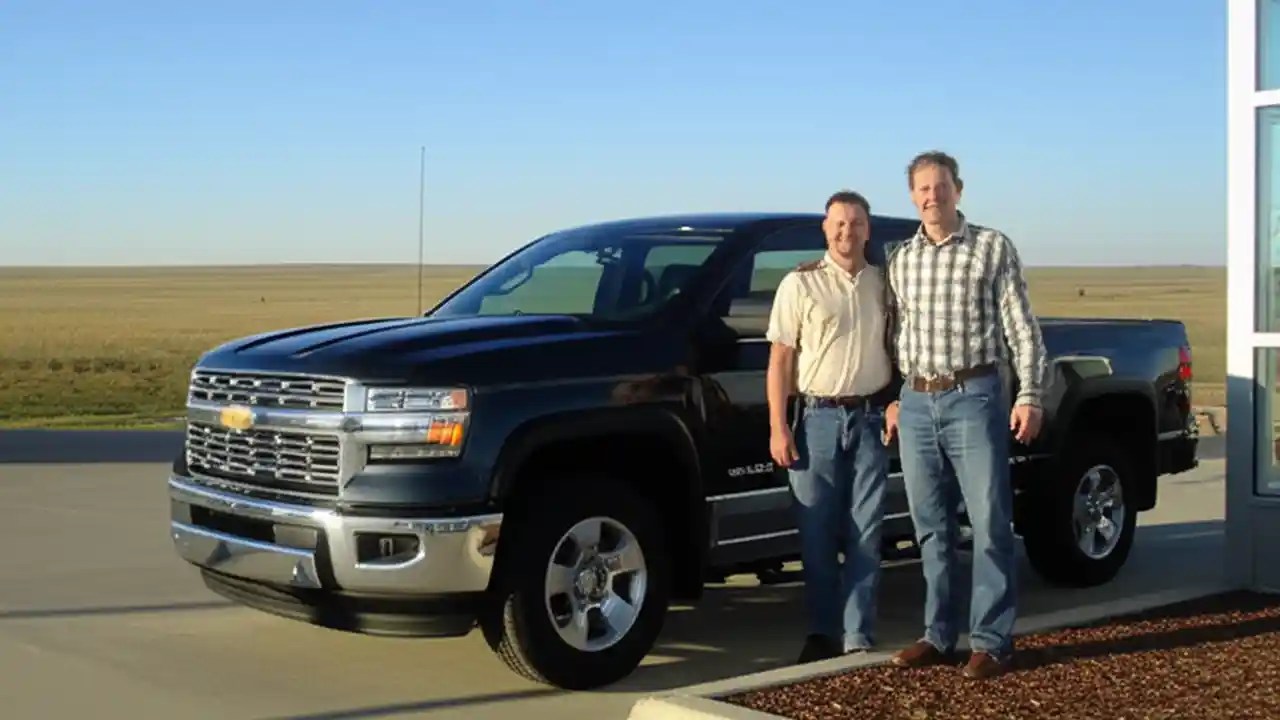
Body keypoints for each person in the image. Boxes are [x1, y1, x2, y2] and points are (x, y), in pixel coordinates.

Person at [881, 150, 1048, 680]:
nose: (933, 196)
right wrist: (894, 394)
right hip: (915, 401)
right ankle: (938, 635)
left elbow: (1021, 328)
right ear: (912, 195)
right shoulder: (901, 259)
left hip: (972, 395)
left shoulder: (991, 248)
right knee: (930, 526)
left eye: (942, 186)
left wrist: (1030, 395)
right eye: (923, 189)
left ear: (959, 188)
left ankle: (992, 641)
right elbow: (894, 335)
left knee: (990, 521)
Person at [765, 190, 900, 663]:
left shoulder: (885, 284)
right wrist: (778, 427)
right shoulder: (800, 285)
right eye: (838, 223)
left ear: (868, 229)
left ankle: (858, 636)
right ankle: (822, 633)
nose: (847, 231)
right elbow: (780, 359)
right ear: (825, 229)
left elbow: (903, 351)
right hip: (815, 421)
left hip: (869, 420)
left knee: (866, 531)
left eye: (856, 223)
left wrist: (895, 401)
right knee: (817, 532)